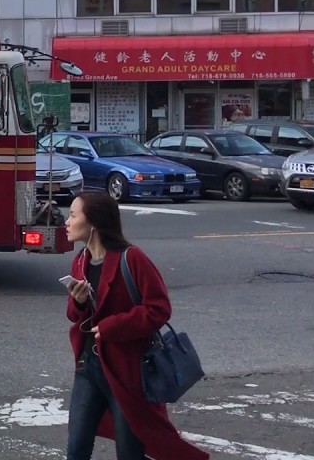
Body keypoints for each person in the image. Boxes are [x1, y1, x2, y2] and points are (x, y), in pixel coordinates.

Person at [63, 192, 209, 460]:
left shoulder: (132, 259)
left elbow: (159, 310)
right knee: (76, 448)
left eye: (73, 215)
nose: (67, 221)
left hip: (127, 372)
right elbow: (76, 317)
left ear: (93, 222)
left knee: (130, 451)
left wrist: (112, 327)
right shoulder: (81, 261)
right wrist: (79, 302)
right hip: (89, 368)